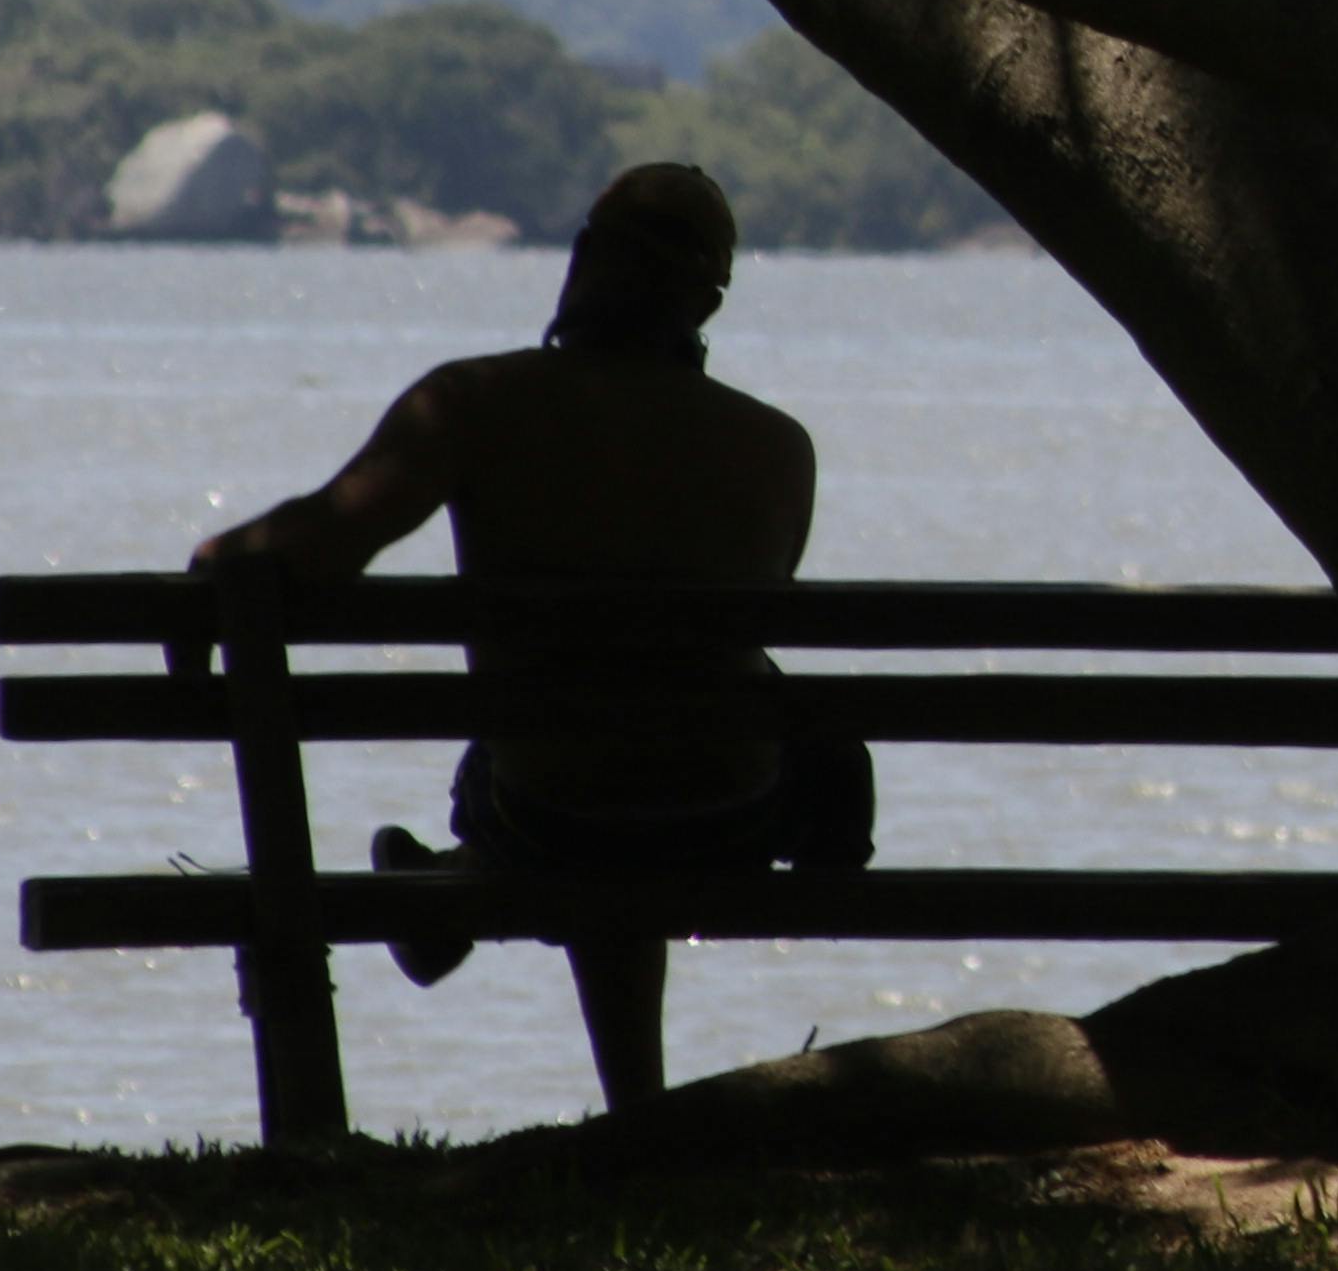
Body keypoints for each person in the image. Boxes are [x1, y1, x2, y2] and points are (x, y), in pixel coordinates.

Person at [185, 160, 858, 1108]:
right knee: (654, 736)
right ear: (707, 302)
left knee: (569, 765)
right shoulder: (778, 445)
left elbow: (328, 539)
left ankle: (447, 901)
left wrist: (219, 561)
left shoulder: (471, 404)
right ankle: (631, 1103)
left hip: (552, 813)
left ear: (583, 260)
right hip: (729, 819)